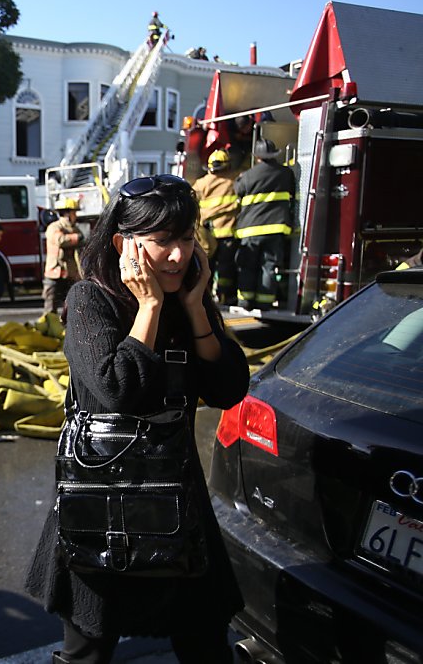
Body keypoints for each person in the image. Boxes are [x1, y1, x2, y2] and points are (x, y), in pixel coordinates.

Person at [25, 173, 249, 664]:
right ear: (126, 243)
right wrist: (148, 306)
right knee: (90, 647)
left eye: (187, 239)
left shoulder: (189, 300)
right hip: (104, 503)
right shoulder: (91, 300)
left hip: (178, 497)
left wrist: (195, 311)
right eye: (163, 241)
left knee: (206, 638)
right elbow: (117, 389)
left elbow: (229, 388)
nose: (177, 255)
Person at [233, 139, 296, 310]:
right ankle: (265, 302)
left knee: (247, 266)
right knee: (268, 266)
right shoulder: (286, 173)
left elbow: (237, 191)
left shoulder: (247, 175)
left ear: (257, 157)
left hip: (250, 230)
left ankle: (245, 301)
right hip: (276, 228)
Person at [192, 149, 240, 305]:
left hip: (207, 235)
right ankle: (225, 296)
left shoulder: (201, 183)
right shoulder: (235, 180)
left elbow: (191, 203)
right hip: (228, 232)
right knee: (227, 267)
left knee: (207, 267)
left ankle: (206, 297)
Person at [42, 197, 84, 315]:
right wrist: (76, 237)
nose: (75, 216)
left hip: (70, 274)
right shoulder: (54, 227)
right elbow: (60, 240)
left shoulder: (74, 229)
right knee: (50, 307)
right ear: (67, 214)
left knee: (72, 307)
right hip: (54, 274)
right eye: (74, 213)